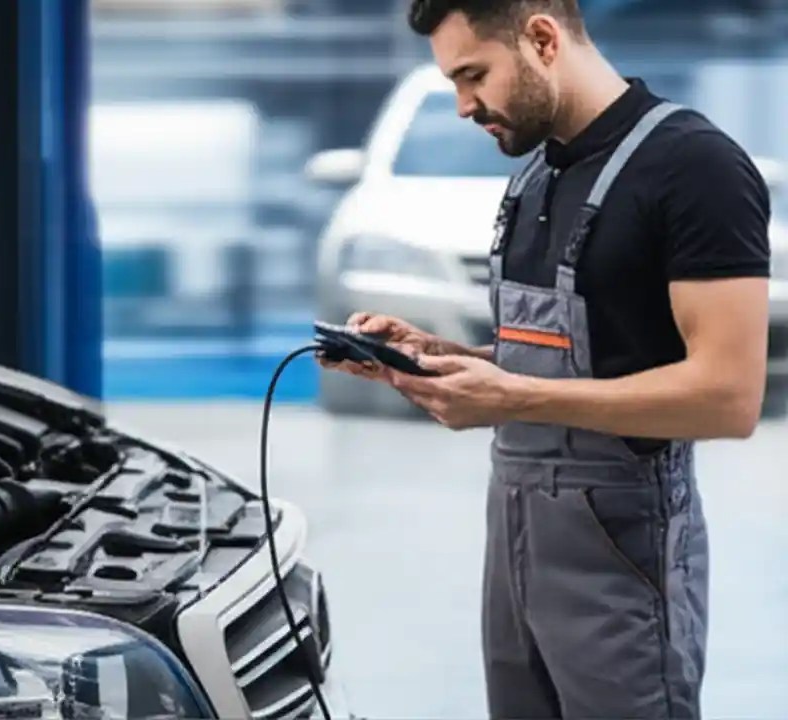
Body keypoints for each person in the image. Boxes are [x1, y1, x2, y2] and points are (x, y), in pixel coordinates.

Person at [320, 1, 772, 718]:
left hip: (623, 549)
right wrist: (437, 355)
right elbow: (569, 357)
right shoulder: (536, 175)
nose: (465, 106)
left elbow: (728, 396)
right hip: (516, 538)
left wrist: (511, 398)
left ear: (541, 38)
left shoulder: (695, 167)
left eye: (474, 76)